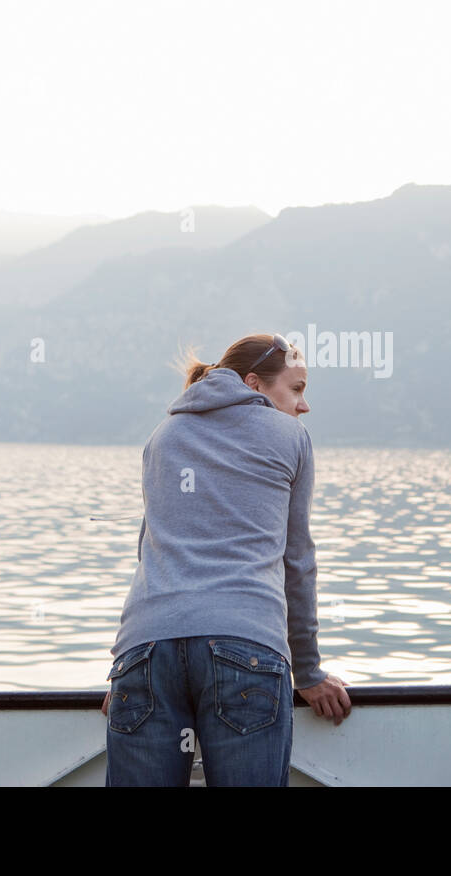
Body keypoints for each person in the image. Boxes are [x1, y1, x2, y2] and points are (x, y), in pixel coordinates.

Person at [104, 332, 351, 787]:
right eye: (296, 389)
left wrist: (128, 667)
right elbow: (297, 562)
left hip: (146, 650)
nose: (304, 405)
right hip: (245, 645)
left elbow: (148, 552)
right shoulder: (290, 437)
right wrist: (310, 670)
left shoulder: (163, 435)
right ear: (254, 384)